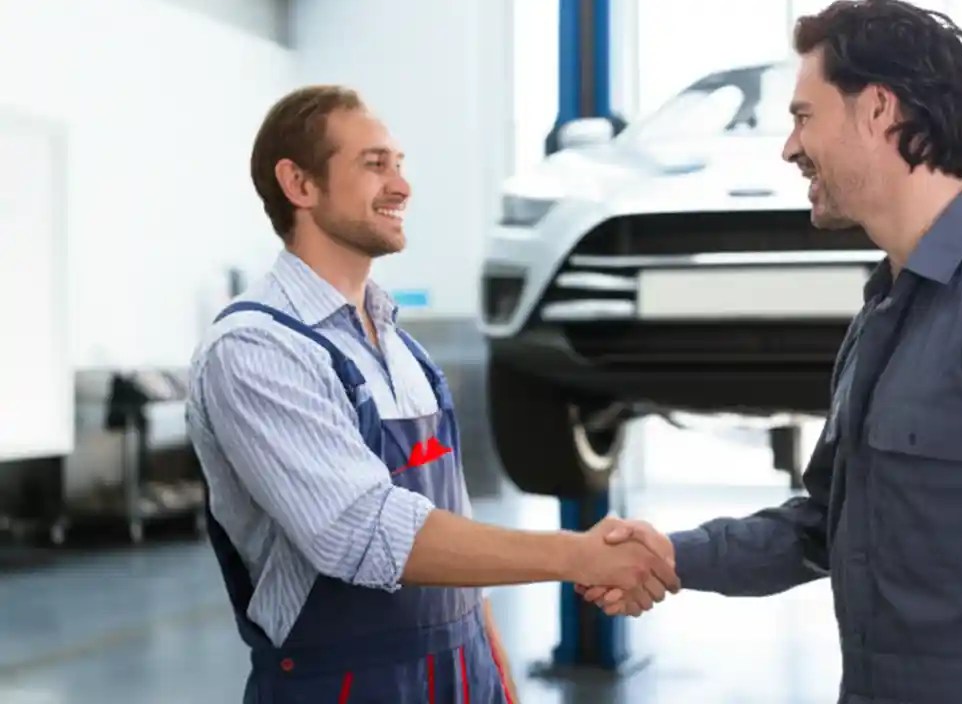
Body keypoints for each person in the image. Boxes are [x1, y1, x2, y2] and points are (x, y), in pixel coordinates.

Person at [580, 0, 962, 704]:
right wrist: (673, 555)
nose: (789, 147)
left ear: (879, 111)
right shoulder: (888, 307)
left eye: (804, 117)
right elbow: (824, 525)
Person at [185, 85, 680, 704]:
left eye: (398, 164)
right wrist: (577, 556)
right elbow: (363, 530)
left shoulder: (402, 349)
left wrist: (499, 681)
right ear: (299, 185)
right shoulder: (255, 350)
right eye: (374, 165)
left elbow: (459, 548)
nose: (402, 186)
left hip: (462, 673)